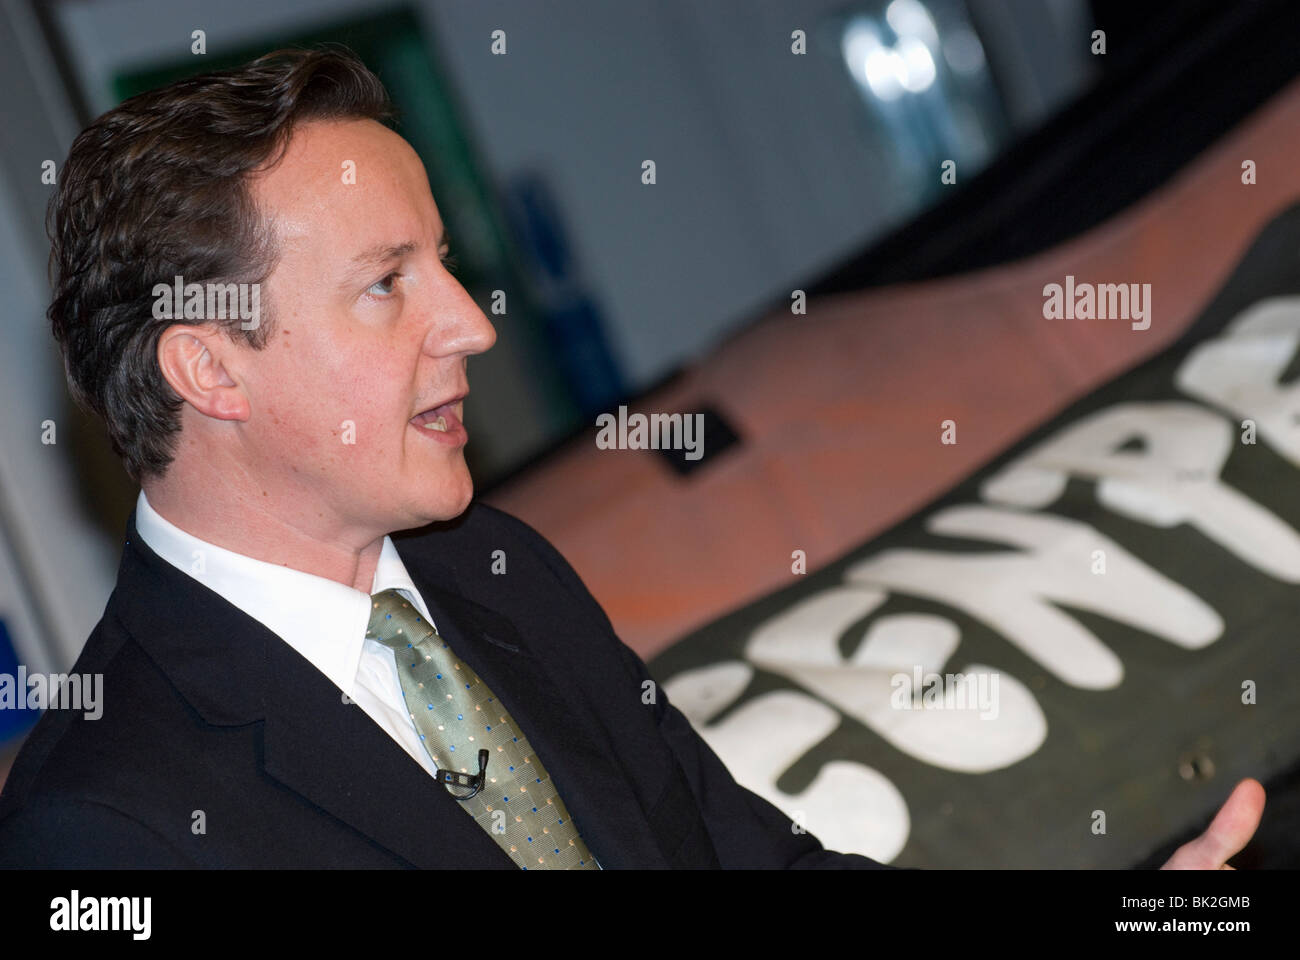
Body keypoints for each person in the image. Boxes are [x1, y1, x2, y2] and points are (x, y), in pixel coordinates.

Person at [0, 47, 1263, 869]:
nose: (471, 323)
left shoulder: (493, 573)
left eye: (444, 260)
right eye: (388, 285)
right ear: (209, 369)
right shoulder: (104, 828)